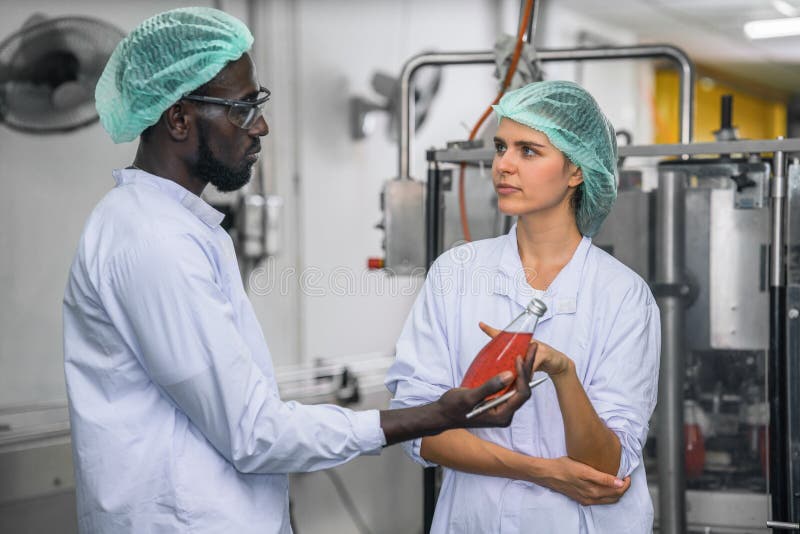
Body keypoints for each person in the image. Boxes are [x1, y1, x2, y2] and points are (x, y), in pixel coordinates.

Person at [62, 8, 535, 534]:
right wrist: (436, 415)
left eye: (257, 103)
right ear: (178, 120)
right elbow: (253, 433)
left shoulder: (181, 229)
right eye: (241, 108)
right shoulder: (152, 242)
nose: (260, 125)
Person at [385, 80, 661, 533]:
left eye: (528, 151)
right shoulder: (456, 272)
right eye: (500, 147)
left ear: (577, 171)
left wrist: (563, 373)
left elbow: (607, 465)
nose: (503, 166)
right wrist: (541, 470)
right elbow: (419, 427)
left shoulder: (622, 295)